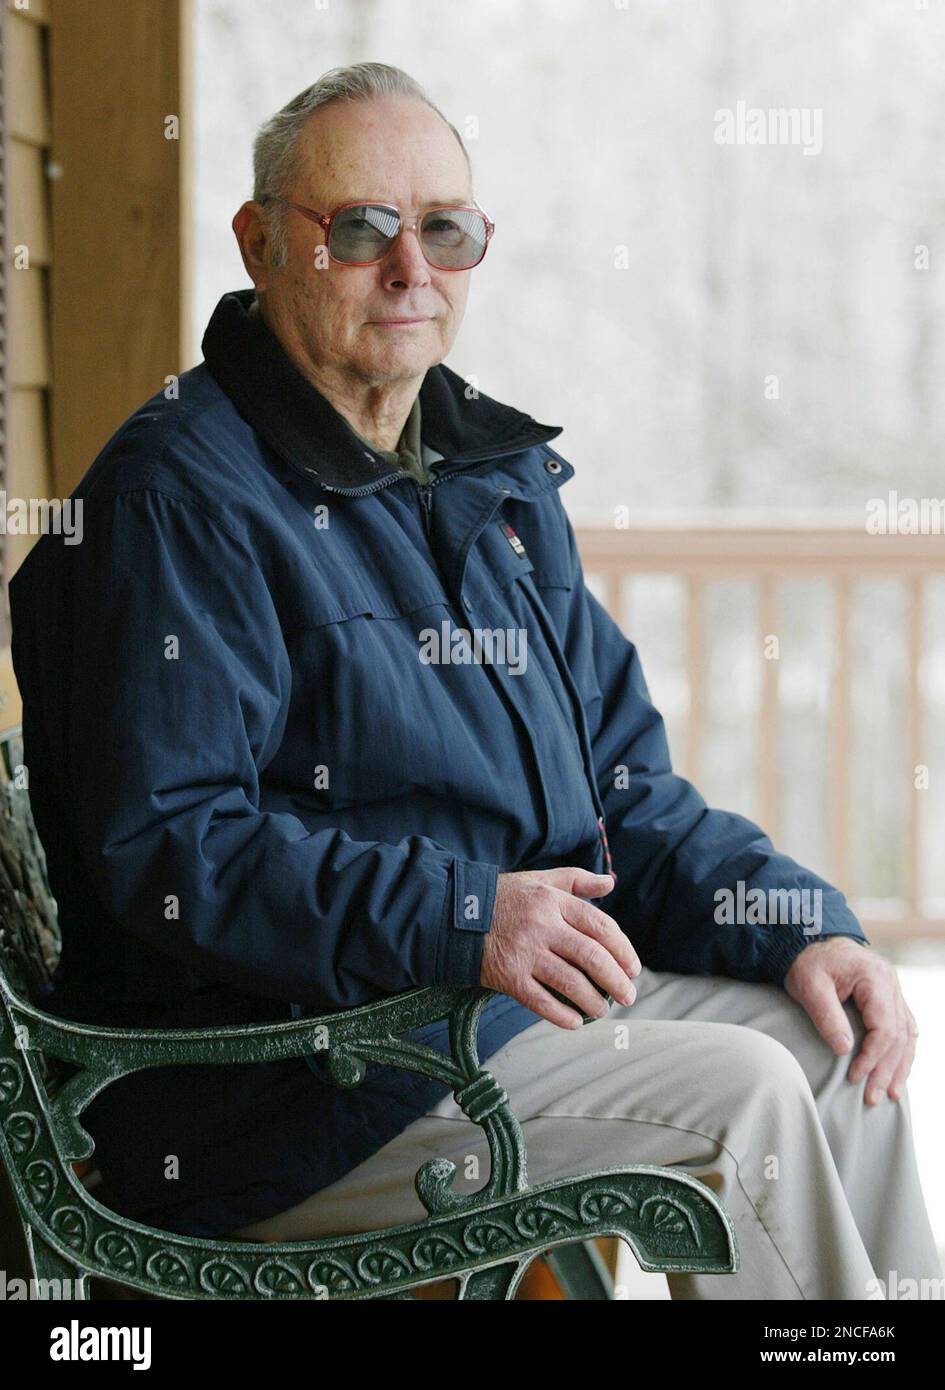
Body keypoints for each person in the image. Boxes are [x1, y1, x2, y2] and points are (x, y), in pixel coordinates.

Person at [9, 62, 941, 1300]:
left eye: (444, 229)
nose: (412, 268)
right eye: (361, 229)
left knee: (834, 1044)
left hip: (480, 1024)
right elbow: (180, 851)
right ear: (259, 244)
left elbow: (625, 793)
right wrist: (465, 916)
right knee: (747, 1100)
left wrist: (796, 920)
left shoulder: (487, 481)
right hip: (286, 1090)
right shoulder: (176, 505)